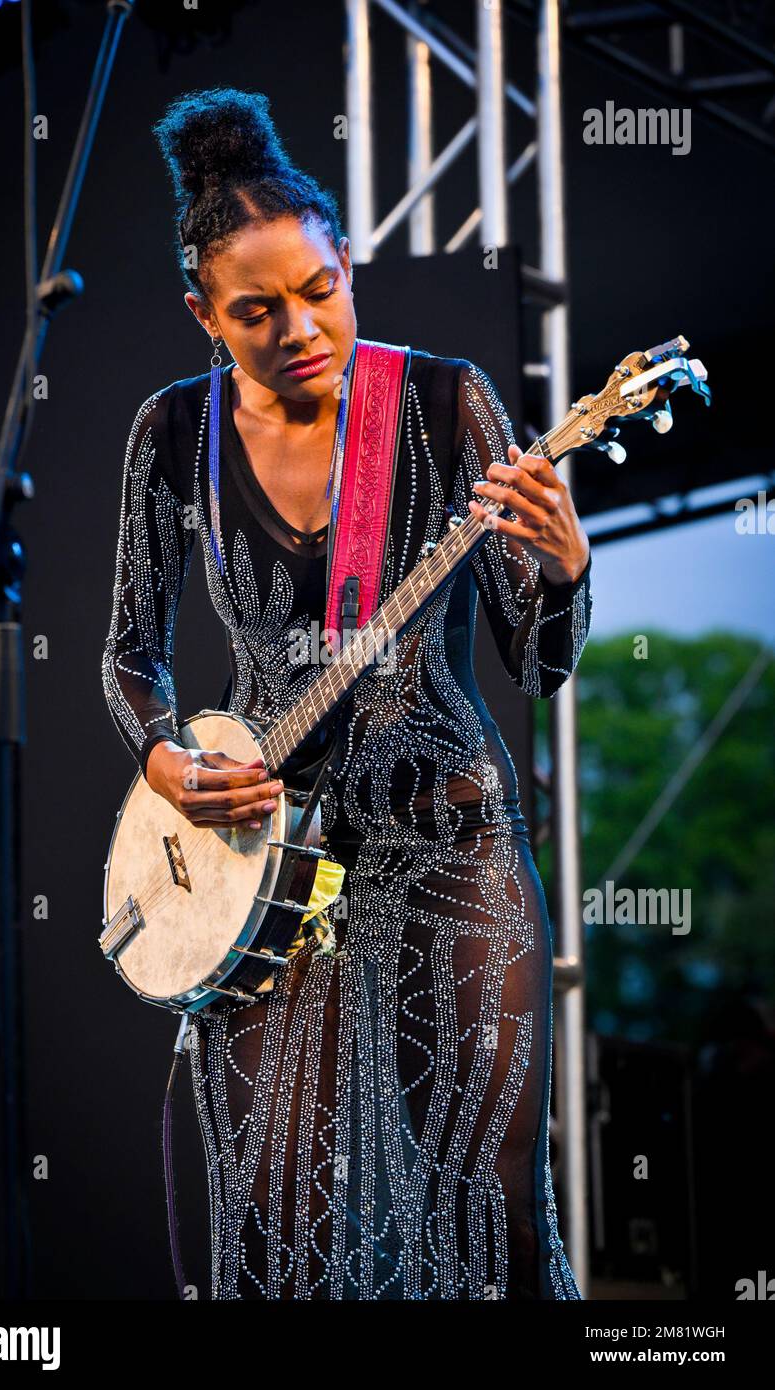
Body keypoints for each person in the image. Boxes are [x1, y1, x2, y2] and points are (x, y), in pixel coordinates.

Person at [102, 86, 592, 1301]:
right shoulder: (171, 434)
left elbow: (537, 659)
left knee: (489, 1215)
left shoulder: (442, 402)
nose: (300, 328)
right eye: (256, 311)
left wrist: (567, 571)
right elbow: (127, 649)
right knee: (275, 1225)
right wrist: (163, 755)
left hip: (450, 837)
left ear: (344, 265)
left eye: (321, 290)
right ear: (202, 315)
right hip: (268, 871)